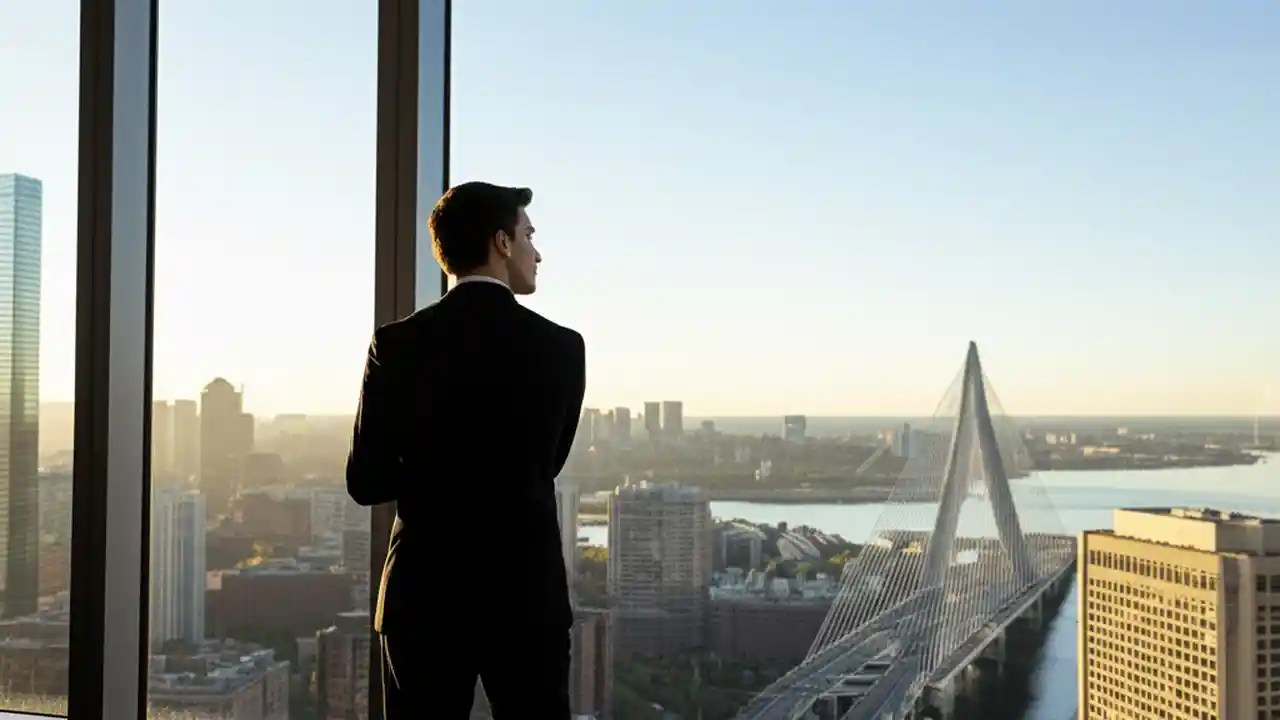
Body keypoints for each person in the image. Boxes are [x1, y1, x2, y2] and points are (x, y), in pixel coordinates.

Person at [346, 182, 586, 718]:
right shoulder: (561, 349)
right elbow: (548, 463)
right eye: (528, 235)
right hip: (526, 599)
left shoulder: (398, 344)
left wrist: (437, 470)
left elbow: (367, 481)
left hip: (422, 599)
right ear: (501, 243)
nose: (536, 252)